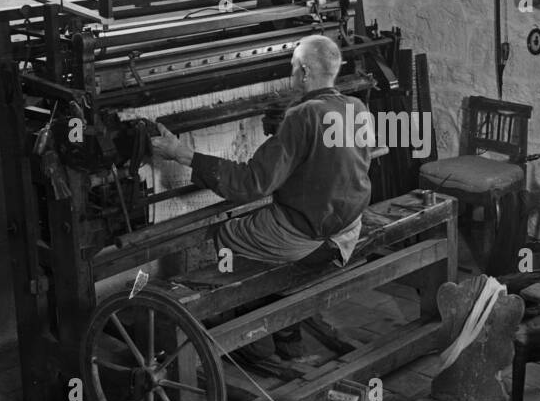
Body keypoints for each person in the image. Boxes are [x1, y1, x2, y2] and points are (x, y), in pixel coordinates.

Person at [149, 34, 372, 358]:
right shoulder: (356, 106)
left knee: (227, 234)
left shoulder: (302, 118)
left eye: (294, 67)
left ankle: (247, 336)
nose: (291, 74)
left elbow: (249, 185)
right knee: (264, 225)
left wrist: (183, 154)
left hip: (311, 237)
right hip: (349, 227)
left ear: (306, 73)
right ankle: (286, 332)